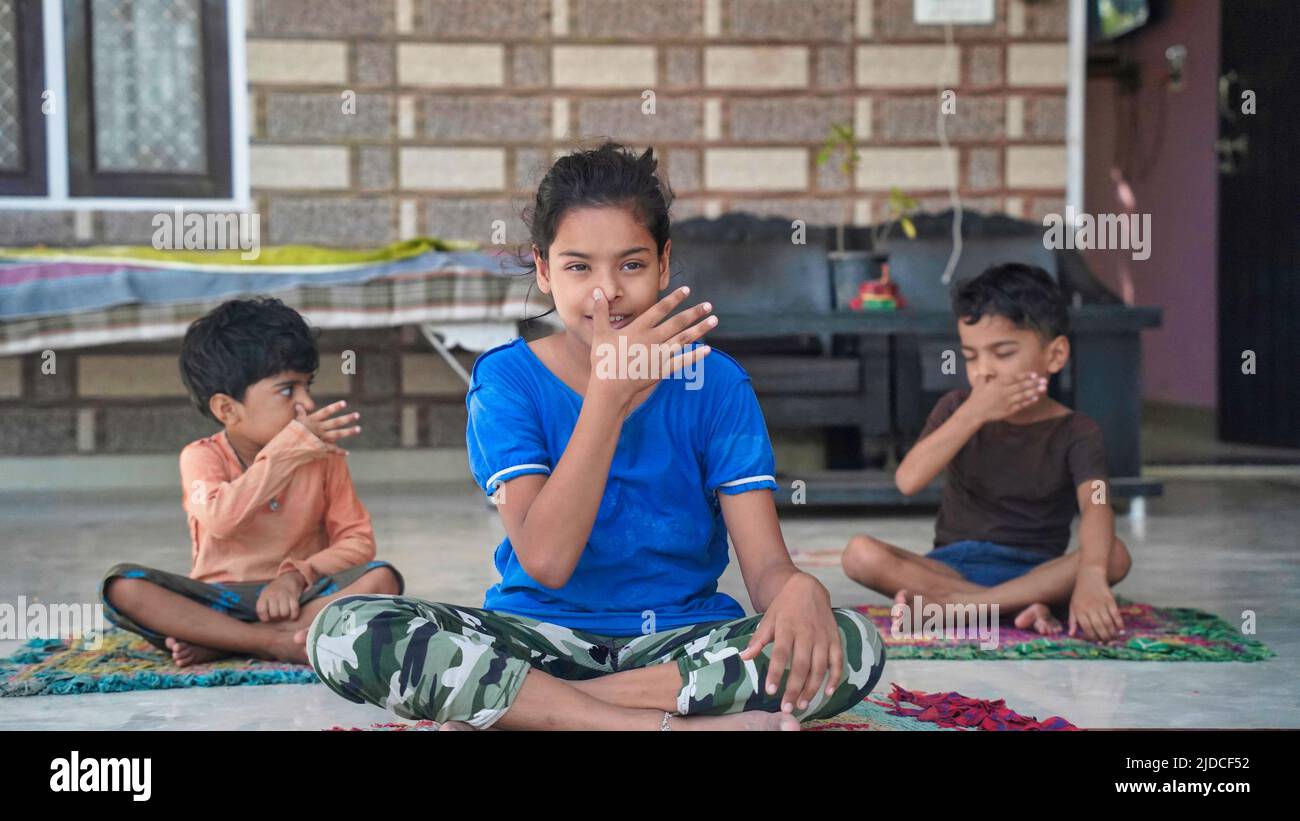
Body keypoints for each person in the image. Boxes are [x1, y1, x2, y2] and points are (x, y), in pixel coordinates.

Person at [301, 141, 885, 731]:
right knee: (343, 631)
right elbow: (547, 562)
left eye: (631, 265)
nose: (606, 293)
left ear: (663, 262)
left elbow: (765, 572)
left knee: (851, 642)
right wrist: (608, 399)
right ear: (543, 268)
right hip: (533, 640)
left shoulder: (715, 384)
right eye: (579, 267)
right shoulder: (506, 381)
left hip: (678, 644)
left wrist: (797, 589)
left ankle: (531, 712)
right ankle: (644, 725)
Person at [100, 297, 404, 667]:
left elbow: (359, 543)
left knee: (383, 580)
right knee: (122, 587)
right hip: (219, 601)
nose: (306, 403)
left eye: (308, 385)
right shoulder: (201, 456)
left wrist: (297, 575)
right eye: (288, 390)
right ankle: (272, 641)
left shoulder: (322, 457)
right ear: (227, 409)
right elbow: (222, 519)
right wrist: (284, 453)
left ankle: (224, 642)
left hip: (300, 596)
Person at [842, 263, 1131, 641]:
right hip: (951, 569)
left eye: (1003, 353)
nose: (984, 372)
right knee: (859, 554)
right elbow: (908, 480)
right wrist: (972, 415)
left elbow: (1096, 506)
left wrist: (1091, 575)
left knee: (1114, 555)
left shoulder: (1077, 431)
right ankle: (1008, 607)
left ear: (1056, 355)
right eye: (972, 356)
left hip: (1036, 572)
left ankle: (960, 609)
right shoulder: (955, 409)